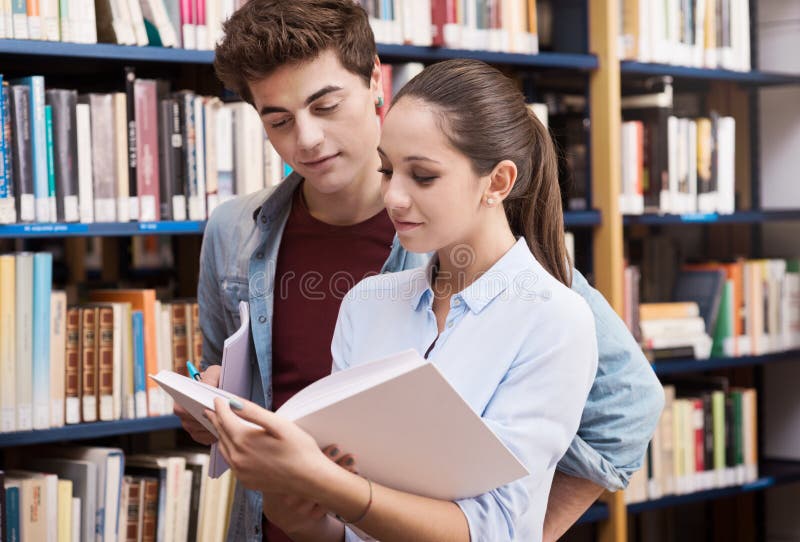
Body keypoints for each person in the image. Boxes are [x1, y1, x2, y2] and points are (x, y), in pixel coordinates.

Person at [178, 1, 664, 541]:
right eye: (278, 120)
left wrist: (521, 530)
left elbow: (626, 405)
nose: (307, 138)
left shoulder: (465, 240)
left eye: (326, 105)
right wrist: (213, 409)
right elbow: (234, 387)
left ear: (374, 81)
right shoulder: (233, 231)